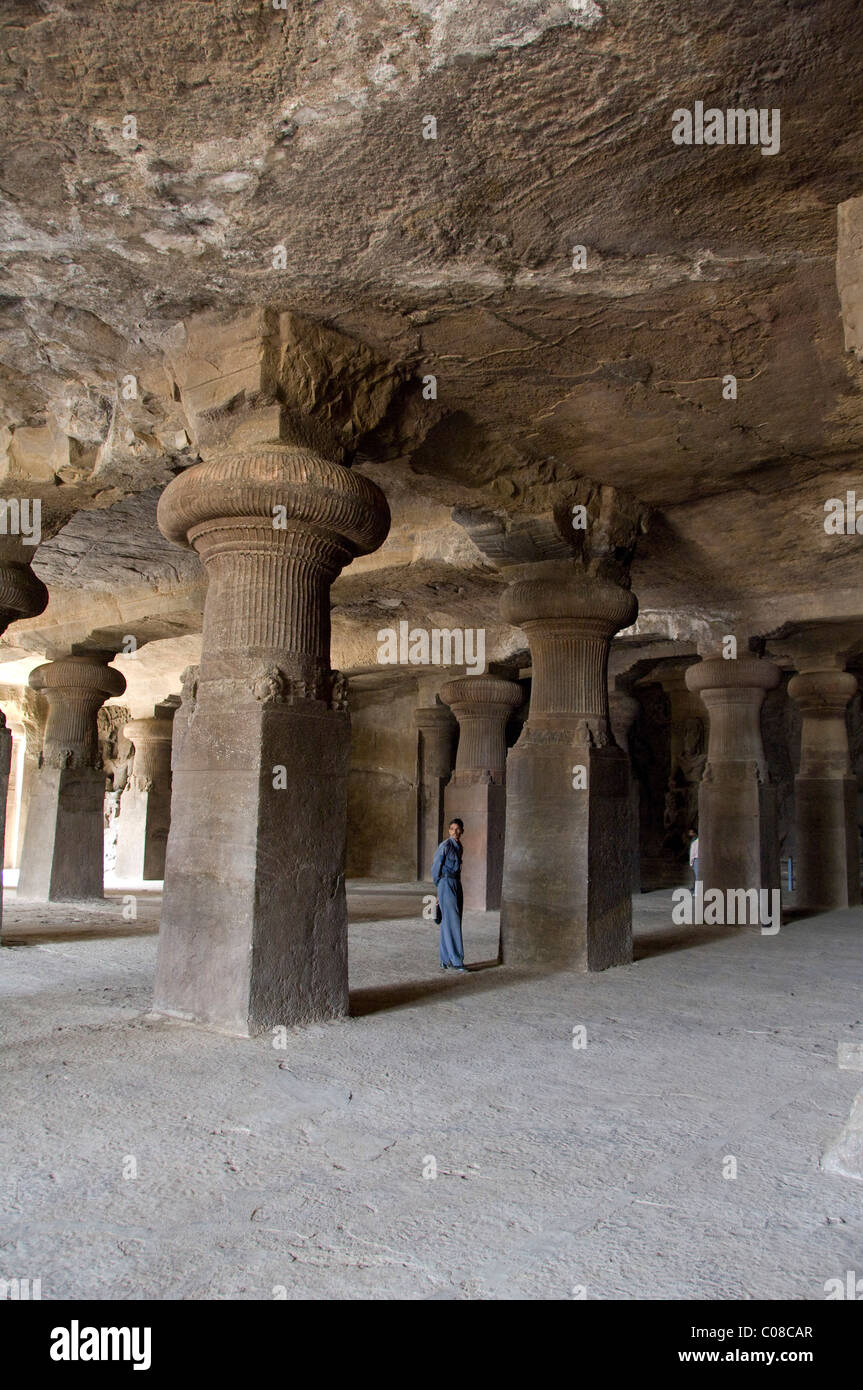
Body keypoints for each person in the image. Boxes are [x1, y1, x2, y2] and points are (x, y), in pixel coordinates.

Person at [432, 819, 468, 973]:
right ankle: (456, 960)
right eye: (452, 829)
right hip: (446, 883)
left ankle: (444, 959)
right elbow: (435, 868)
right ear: (449, 831)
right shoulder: (445, 846)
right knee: (452, 921)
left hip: (456, 883)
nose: (455, 832)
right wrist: (439, 888)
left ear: (462, 831)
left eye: (458, 829)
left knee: (452, 920)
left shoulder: (459, 847)